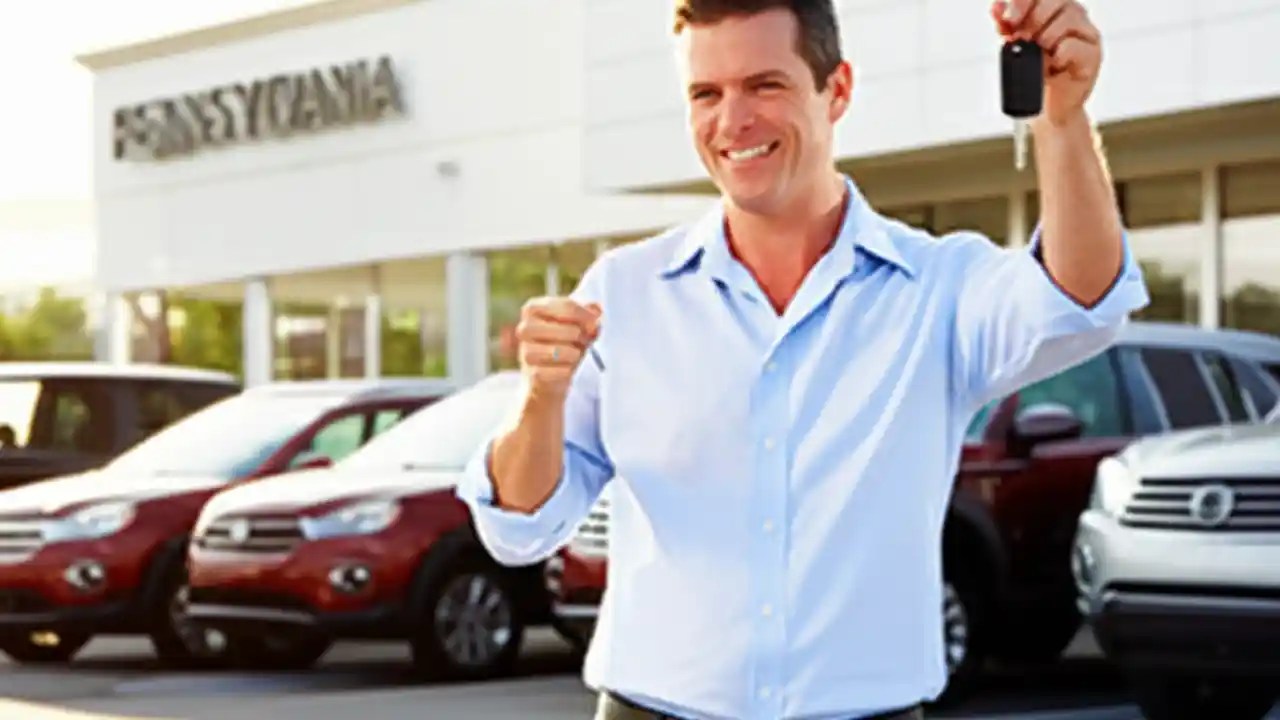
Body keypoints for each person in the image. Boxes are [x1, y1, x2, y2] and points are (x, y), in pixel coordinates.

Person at [456, 0, 1149, 717]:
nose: (732, 122)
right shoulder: (623, 293)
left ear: (837, 90)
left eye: (765, 85)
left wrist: (1062, 120)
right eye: (706, 93)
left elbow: (1082, 302)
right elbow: (519, 526)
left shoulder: (936, 288)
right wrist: (540, 396)